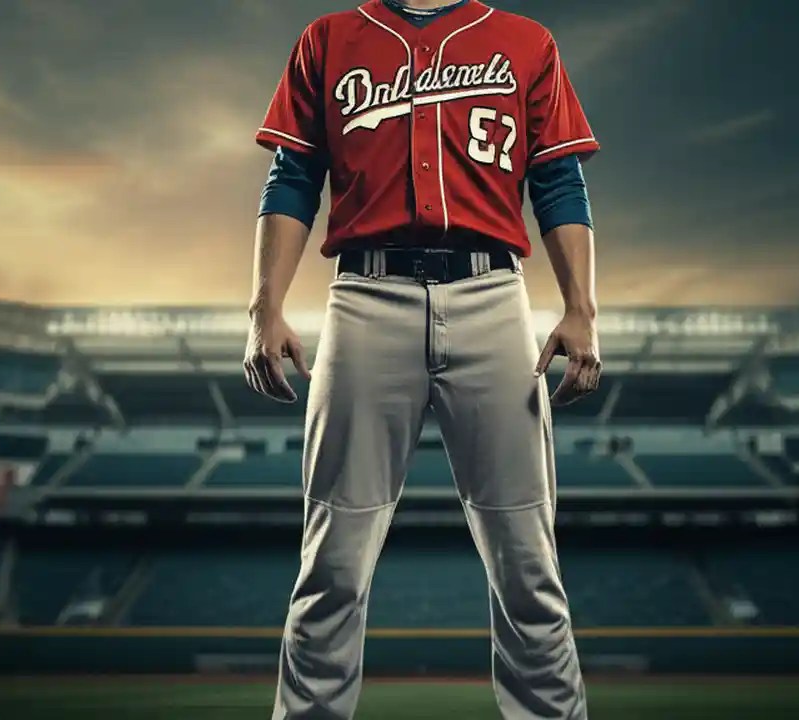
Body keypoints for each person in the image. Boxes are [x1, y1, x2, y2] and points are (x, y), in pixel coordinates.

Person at [243, 1, 602, 717]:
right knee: (333, 561)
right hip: (365, 295)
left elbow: (558, 181)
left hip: (494, 294)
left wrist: (581, 309)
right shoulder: (329, 38)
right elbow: (293, 174)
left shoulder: (526, 42)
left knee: (527, 562)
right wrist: (265, 307)